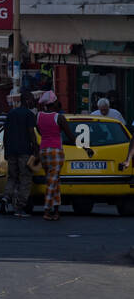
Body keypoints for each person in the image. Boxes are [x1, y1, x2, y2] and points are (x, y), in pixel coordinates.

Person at [36, 90, 93, 221]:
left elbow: (39, 132)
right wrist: (86, 148)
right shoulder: (59, 117)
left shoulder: (38, 116)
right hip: (56, 151)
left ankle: (56, 210)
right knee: (52, 181)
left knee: (54, 180)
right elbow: (71, 136)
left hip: (43, 150)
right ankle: (47, 209)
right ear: (54, 102)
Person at [2, 91, 36, 217]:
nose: (34, 102)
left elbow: (5, 133)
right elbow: (31, 133)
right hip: (24, 152)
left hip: (11, 151)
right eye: (32, 99)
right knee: (25, 178)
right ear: (26, 100)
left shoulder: (10, 114)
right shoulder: (29, 115)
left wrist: (6, 150)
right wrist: (36, 149)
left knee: (12, 177)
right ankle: (20, 207)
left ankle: (6, 197)